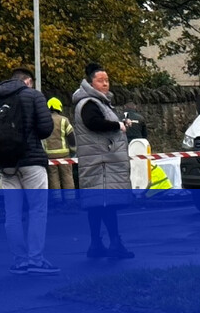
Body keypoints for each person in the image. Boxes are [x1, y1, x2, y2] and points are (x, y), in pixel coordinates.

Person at [0, 68, 58, 275]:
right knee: (37, 210)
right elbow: (45, 129)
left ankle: (19, 260)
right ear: (28, 81)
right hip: (31, 160)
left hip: (5, 163)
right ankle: (36, 259)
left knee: (13, 213)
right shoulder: (33, 95)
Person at [72, 62, 135, 260]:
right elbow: (94, 123)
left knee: (98, 205)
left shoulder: (100, 103)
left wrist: (119, 123)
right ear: (90, 83)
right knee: (107, 204)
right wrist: (118, 125)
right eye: (100, 81)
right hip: (101, 164)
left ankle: (97, 244)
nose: (105, 84)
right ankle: (114, 243)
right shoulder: (89, 103)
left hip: (100, 162)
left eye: (107, 80)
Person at [42, 97, 75, 204]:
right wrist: (73, 150)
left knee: (53, 178)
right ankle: (70, 200)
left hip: (49, 156)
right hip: (64, 155)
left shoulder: (44, 120)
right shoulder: (63, 120)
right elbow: (71, 136)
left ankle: (57, 201)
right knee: (67, 176)